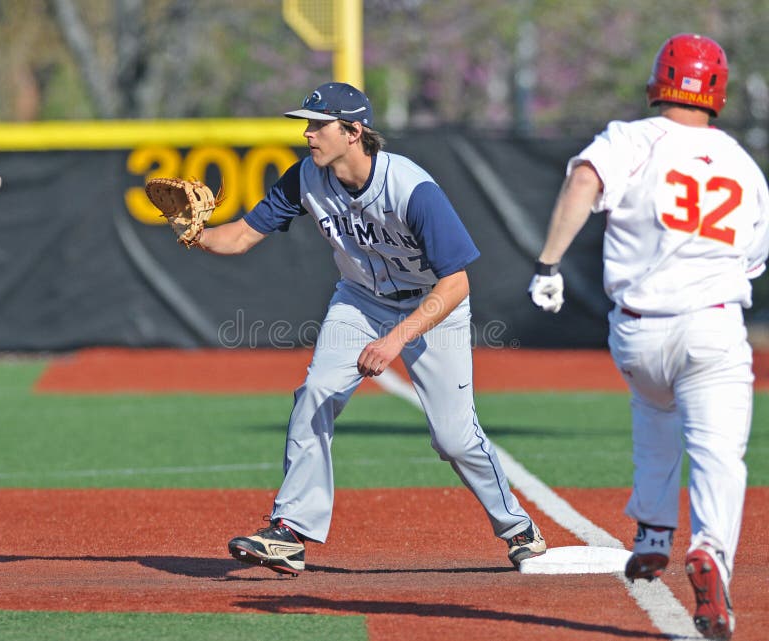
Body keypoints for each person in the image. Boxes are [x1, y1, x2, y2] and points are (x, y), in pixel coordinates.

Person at [195, 81, 547, 576]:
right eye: (307, 124)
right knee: (316, 392)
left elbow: (456, 283)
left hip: (431, 306)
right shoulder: (305, 178)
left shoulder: (411, 188)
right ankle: (289, 531)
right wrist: (194, 234)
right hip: (360, 301)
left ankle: (517, 528)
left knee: (454, 439)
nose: (308, 134)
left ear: (353, 131)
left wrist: (396, 339)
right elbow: (239, 238)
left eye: (319, 125)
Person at [528, 33, 769, 640]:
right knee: (718, 454)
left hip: (638, 329)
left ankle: (655, 531)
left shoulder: (630, 139)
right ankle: (710, 551)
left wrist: (549, 262)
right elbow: (752, 262)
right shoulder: (743, 164)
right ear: (717, 91)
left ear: (659, 81)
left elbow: (584, 180)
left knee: (654, 416)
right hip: (712, 323)